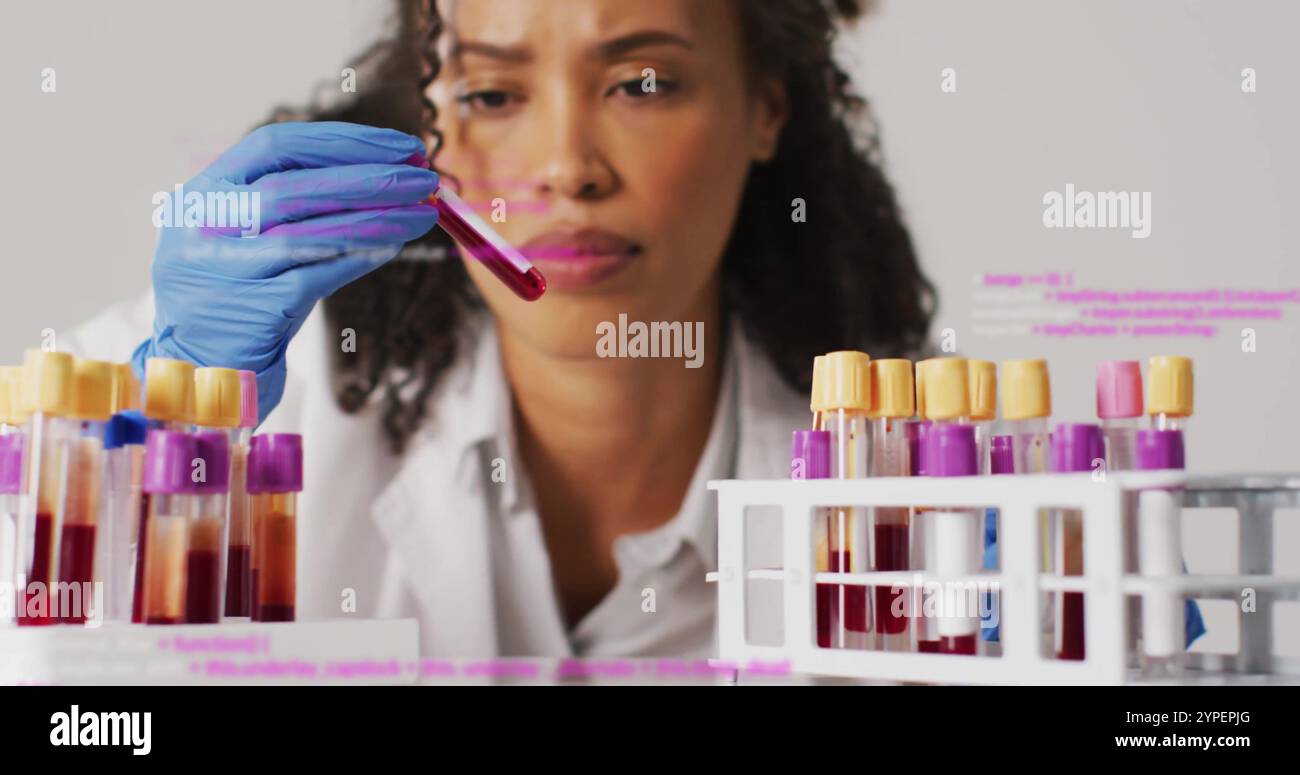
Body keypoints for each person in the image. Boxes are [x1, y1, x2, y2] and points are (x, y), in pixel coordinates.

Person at [67, 0, 934, 657]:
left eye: (643, 84)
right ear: (425, 121)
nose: (567, 167)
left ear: (765, 109)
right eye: (491, 92)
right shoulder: (261, 377)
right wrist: (172, 438)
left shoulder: (917, 486)